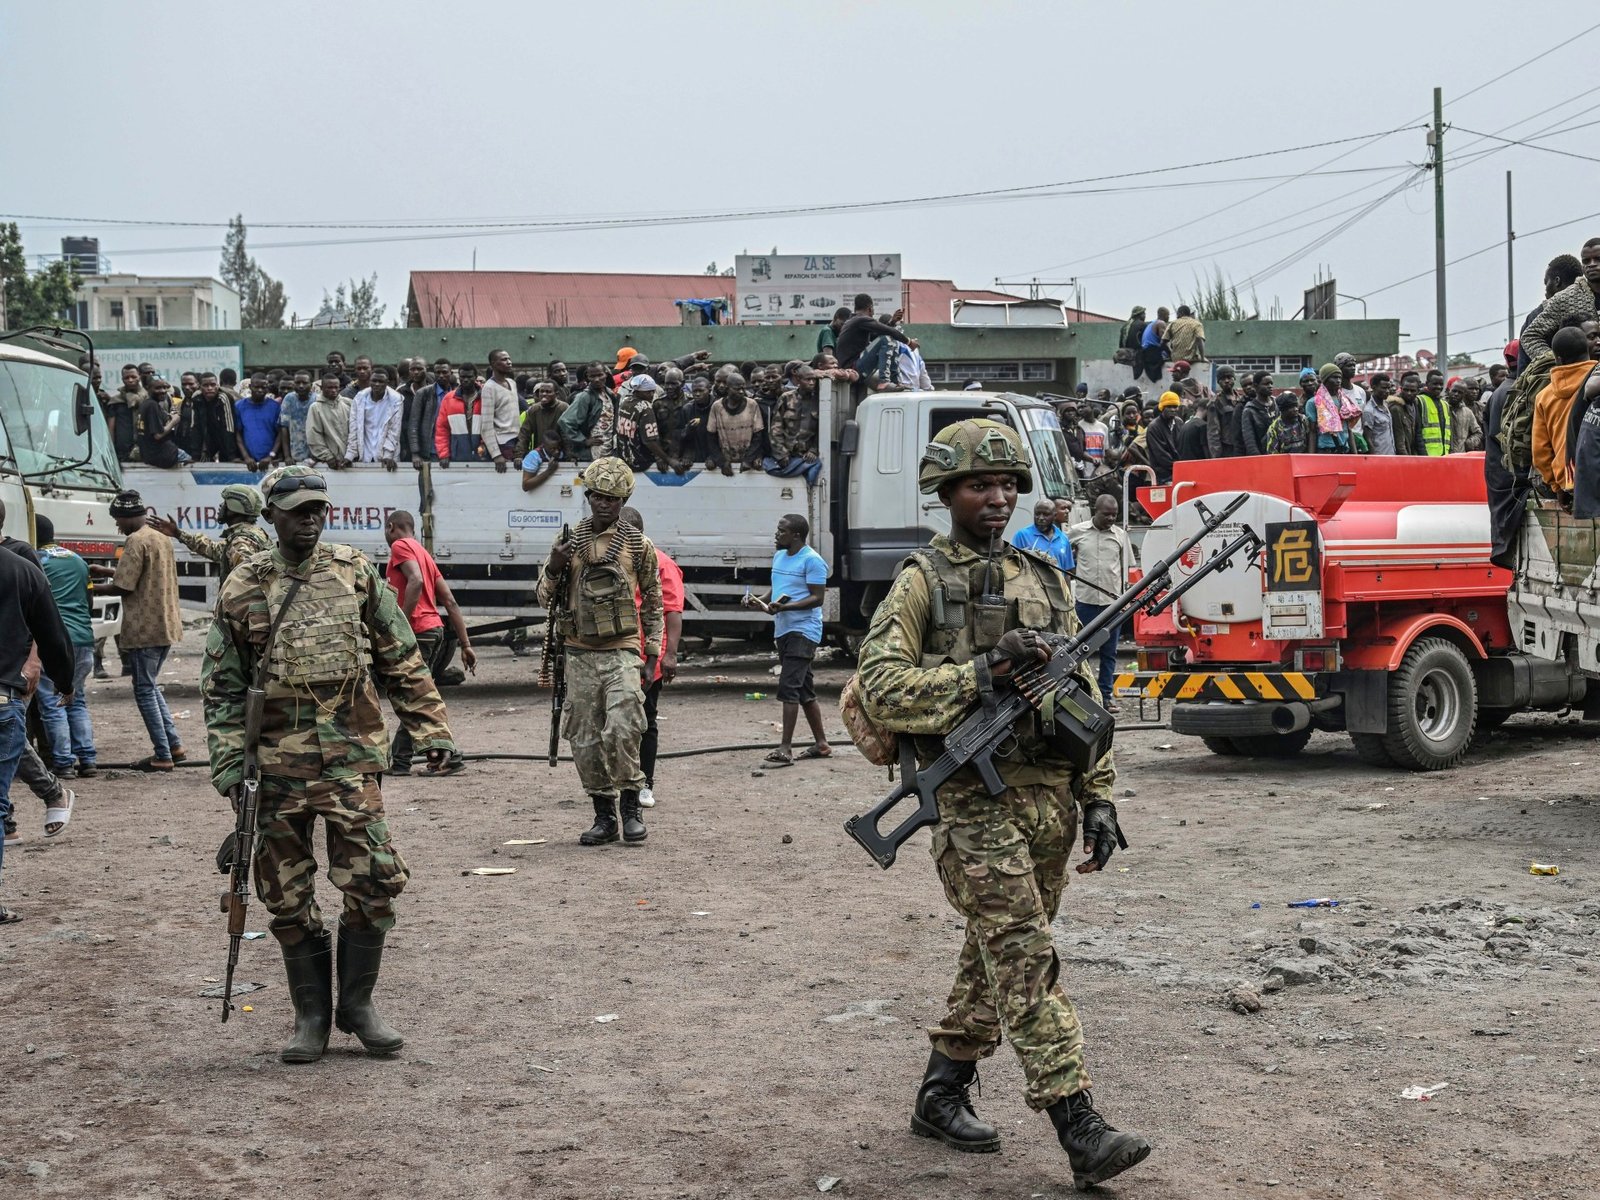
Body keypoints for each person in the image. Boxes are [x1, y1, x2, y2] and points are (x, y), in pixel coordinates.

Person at [853, 418, 1148, 1189]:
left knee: (996, 953)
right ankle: (1078, 1122)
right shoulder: (921, 578)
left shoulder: (1044, 576)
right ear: (945, 491)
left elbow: (1083, 698)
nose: (997, 497)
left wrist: (1101, 797)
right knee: (1022, 954)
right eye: (980, 484)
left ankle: (941, 1092)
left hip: (1048, 797)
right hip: (969, 801)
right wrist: (982, 673)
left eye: (1008, 484)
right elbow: (880, 686)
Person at [202, 465, 457, 1064]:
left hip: (348, 762)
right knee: (285, 896)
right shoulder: (243, 586)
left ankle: (358, 1006)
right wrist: (230, 771)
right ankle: (312, 1015)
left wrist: (431, 730)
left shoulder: (354, 574)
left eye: (319, 508)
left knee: (373, 882)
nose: (312, 519)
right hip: (275, 768)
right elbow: (221, 688)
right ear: (272, 517)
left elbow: (401, 657)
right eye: (298, 510)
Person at [538, 458, 663, 845]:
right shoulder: (567, 543)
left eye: (612, 498)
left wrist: (653, 654)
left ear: (623, 499)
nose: (604, 504)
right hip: (579, 651)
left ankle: (631, 807)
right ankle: (603, 814)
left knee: (625, 725)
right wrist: (556, 567)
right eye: (597, 496)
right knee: (585, 736)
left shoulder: (639, 546)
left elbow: (654, 602)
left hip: (621, 650)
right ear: (588, 496)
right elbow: (543, 597)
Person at [0, 526, 76, 922]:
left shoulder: (24, 565)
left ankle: (51, 794)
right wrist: (65, 682)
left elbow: (47, 632)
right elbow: (53, 633)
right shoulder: (22, 570)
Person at [86, 491, 186, 770]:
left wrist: (89, 587)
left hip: (145, 628)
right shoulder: (159, 537)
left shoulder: (135, 540)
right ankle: (174, 745)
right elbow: (141, 574)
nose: (118, 526)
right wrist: (104, 570)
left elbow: (123, 587)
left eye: (118, 520)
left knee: (143, 690)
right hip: (165, 624)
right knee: (151, 687)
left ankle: (162, 755)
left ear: (129, 517)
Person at [382, 511, 472, 775]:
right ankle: (402, 762)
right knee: (417, 695)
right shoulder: (424, 554)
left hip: (419, 631)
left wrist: (402, 624)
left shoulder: (400, 546)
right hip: (434, 631)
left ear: (391, 527)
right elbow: (450, 602)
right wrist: (466, 644)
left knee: (412, 695)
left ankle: (446, 756)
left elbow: (416, 581)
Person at [742, 514, 831, 766]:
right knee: (804, 690)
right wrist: (758, 600)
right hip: (783, 630)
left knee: (789, 687)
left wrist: (786, 608)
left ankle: (785, 748)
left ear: (796, 536)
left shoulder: (812, 561)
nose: (776, 534)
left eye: (781, 531)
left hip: (803, 631)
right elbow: (776, 590)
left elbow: (817, 598)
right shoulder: (780, 556)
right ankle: (822, 744)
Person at [620, 506, 682, 810]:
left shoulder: (661, 563)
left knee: (646, 721)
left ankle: (645, 783)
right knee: (617, 721)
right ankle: (622, 782)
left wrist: (669, 656)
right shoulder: (612, 560)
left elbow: (672, 611)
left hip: (648, 656)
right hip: (616, 653)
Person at [30, 515, 97, 782]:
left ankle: (63, 763)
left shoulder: (35, 560)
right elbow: (89, 599)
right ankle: (88, 759)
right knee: (75, 700)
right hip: (83, 639)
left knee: (52, 702)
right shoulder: (77, 560)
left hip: (54, 640)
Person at [1069, 495, 1136, 710]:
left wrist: (1125, 598)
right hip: (1085, 602)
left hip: (1111, 604)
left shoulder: (1120, 535)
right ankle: (1083, 695)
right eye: (1106, 514)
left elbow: (1127, 570)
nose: (1110, 518)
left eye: (1114, 515)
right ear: (1094, 511)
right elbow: (1063, 558)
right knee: (1081, 651)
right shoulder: (1076, 532)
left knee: (1109, 653)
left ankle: (1106, 697)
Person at [150, 482, 272, 584]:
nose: (220, 506)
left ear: (235, 508)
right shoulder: (251, 533)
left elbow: (247, 585)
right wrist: (178, 533)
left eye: (225, 503)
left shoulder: (241, 542)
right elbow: (214, 550)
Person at [1532, 326, 1597, 493]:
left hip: (1569, 482)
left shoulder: (1543, 396)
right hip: (1595, 474)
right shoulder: (1596, 383)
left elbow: (1540, 453)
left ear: (1558, 359)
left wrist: (1556, 487)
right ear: (1587, 351)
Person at [1519, 238, 1600, 363]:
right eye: (1586, 261)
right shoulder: (1566, 298)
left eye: (1598, 259)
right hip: (1582, 376)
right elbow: (1530, 336)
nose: (1592, 264)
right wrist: (1557, 362)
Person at [835, 293, 915, 387]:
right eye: (873, 311)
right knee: (886, 339)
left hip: (853, 366)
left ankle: (895, 382)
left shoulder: (853, 321)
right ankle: (884, 381)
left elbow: (877, 335)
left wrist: (892, 322)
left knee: (889, 339)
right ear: (870, 308)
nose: (873, 314)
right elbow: (888, 331)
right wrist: (909, 342)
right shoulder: (861, 319)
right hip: (853, 368)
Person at [766, 366, 823, 486]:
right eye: (807, 379)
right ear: (798, 379)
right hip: (786, 456)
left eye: (813, 379)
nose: (811, 382)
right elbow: (776, 428)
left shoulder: (819, 401)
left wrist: (813, 449)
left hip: (806, 457)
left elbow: (822, 430)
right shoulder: (786, 398)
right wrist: (781, 454)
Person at [558, 362, 617, 464]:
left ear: (606, 374)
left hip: (610, 451)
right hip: (593, 454)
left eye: (600, 375)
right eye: (592, 376)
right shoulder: (584, 397)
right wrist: (584, 440)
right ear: (587, 377)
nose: (597, 379)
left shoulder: (609, 394)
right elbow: (564, 421)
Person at [346, 367, 403, 469]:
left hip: (388, 456)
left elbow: (394, 430)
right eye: (374, 381)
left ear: (387, 383)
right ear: (369, 381)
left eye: (381, 381)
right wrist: (350, 455)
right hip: (365, 454)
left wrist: (387, 455)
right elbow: (354, 428)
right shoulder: (359, 398)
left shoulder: (396, 399)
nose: (377, 384)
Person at [707, 373, 765, 475]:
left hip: (748, 459)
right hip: (726, 458)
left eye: (743, 388)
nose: (741, 392)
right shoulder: (717, 407)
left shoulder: (752, 405)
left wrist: (748, 460)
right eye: (737, 389)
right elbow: (711, 437)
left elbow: (758, 436)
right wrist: (722, 462)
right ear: (728, 388)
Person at [178, 372, 238, 462]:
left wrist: (232, 456)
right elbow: (195, 427)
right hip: (208, 438)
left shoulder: (223, 398)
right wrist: (195, 456)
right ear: (200, 386)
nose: (210, 388)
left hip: (226, 438)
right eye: (206, 385)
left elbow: (228, 427)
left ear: (217, 385)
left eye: (213, 385)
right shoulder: (197, 399)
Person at [136, 376, 193, 468]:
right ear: (147, 388)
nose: (163, 391)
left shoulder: (145, 404)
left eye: (165, 387)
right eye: (158, 388)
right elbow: (158, 435)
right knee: (193, 465)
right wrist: (174, 421)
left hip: (150, 453)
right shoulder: (152, 405)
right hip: (162, 453)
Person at [434, 369, 488, 465]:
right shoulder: (449, 398)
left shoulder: (486, 396)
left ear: (475, 377)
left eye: (469, 377)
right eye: (462, 377)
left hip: (484, 453)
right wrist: (444, 454)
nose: (465, 380)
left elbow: (491, 424)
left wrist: (484, 444)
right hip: (457, 454)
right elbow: (442, 429)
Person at [1012, 498, 1076, 573]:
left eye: (1046, 514)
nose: (1041, 518)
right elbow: (1014, 567)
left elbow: (1067, 571)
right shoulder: (1022, 536)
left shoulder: (1063, 539)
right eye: (1037, 514)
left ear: (1055, 516)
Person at [1305, 364, 1358, 452]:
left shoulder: (1344, 401)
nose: (1338, 381)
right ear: (1325, 380)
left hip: (1344, 448)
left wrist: (1355, 455)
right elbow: (1312, 431)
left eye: (1339, 378)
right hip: (1326, 450)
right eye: (1334, 377)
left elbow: (1348, 429)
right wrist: (1312, 456)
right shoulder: (1314, 402)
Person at [235, 375, 283, 471]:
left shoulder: (275, 407)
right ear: (250, 386)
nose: (260, 390)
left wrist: (271, 456)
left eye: (263, 387)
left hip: (271, 463)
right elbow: (238, 434)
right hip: (247, 463)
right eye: (256, 387)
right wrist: (246, 457)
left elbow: (280, 433)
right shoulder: (239, 406)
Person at [408, 360, 451, 466]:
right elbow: (413, 424)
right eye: (438, 372)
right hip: (430, 450)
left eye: (444, 372)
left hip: (452, 449)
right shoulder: (423, 393)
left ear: (451, 373)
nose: (441, 375)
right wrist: (415, 453)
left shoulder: (457, 393)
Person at [482, 349, 521, 468]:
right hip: (503, 443)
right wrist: (496, 454)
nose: (509, 362)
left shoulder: (512, 383)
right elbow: (486, 426)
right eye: (504, 360)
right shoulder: (489, 388)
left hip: (517, 441)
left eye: (509, 359)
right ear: (493, 364)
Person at [306, 372, 353, 469]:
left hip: (350, 460)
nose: (334, 390)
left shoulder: (348, 404)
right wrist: (328, 457)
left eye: (336, 387)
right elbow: (314, 435)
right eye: (330, 387)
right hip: (330, 463)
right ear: (322, 388)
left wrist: (351, 455)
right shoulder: (316, 407)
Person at [515, 381, 568, 461]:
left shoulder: (563, 408)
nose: (544, 394)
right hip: (540, 455)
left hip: (560, 455)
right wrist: (519, 455)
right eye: (542, 391)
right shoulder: (534, 409)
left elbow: (567, 435)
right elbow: (524, 433)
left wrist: (570, 456)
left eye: (548, 392)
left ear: (556, 394)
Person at [276, 371, 315, 464]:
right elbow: (284, 427)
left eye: (305, 383)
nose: (301, 386)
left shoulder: (316, 399)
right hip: (294, 455)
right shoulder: (289, 399)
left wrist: (316, 456)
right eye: (297, 383)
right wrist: (287, 456)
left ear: (311, 384)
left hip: (314, 456)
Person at [1146, 392, 1183, 483]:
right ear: (1162, 408)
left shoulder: (1179, 423)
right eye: (1169, 407)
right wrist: (1178, 467)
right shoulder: (1154, 427)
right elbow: (1161, 455)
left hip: (1179, 471)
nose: (1173, 409)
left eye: (1175, 407)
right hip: (1163, 475)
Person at [1415, 371, 1453, 457]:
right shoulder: (1419, 401)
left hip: (1444, 456)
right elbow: (1417, 433)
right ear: (1427, 383)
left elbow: (1448, 432)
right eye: (1435, 384)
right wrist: (1424, 456)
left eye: (1441, 384)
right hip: (1427, 456)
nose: (1438, 387)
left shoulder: (1445, 404)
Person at [1237, 373, 1275, 456]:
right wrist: (1258, 459)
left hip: (1279, 455)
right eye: (1266, 384)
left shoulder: (1277, 404)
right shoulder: (1249, 410)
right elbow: (1250, 442)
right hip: (1261, 456)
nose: (1270, 386)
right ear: (1256, 386)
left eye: (1271, 383)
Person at [1206, 368, 1239, 458]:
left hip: (1241, 447)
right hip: (1227, 450)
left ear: (1234, 378)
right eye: (1223, 379)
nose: (1226, 381)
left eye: (1229, 377)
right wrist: (1216, 457)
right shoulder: (1215, 402)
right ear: (1218, 382)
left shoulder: (1241, 399)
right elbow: (1213, 432)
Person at [1361, 374, 1396, 454]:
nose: (1387, 391)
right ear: (1374, 387)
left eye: (1388, 388)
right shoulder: (1369, 411)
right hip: (1379, 456)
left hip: (1391, 454)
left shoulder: (1385, 405)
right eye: (1384, 388)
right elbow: (1367, 438)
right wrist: (1375, 459)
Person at [1448, 378, 1485, 454]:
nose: (1474, 392)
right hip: (1444, 454)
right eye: (1454, 391)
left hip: (1463, 454)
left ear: (1463, 393)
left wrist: (1470, 443)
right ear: (1449, 390)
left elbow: (1478, 432)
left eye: (1476, 389)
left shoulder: (1468, 412)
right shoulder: (1442, 407)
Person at [1389, 373, 1421, 455]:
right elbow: (1399, 439)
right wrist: (1406, 459)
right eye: (1406, 390)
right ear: (1401, 388)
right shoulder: (1396, 408)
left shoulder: (1415, 404)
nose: (1409, 393)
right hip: (1402, 455)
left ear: (1418, 391)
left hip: (1412, 452)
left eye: (1412, 391)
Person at [1137, 307, 1169, 383]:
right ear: (1164, 315)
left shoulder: (1151, 324)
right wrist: (1171, 353)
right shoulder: (1161, 323)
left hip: (1145, 353)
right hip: (1152, 353)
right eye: (1168, 315)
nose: (1168, 317)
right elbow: (1164, 342)